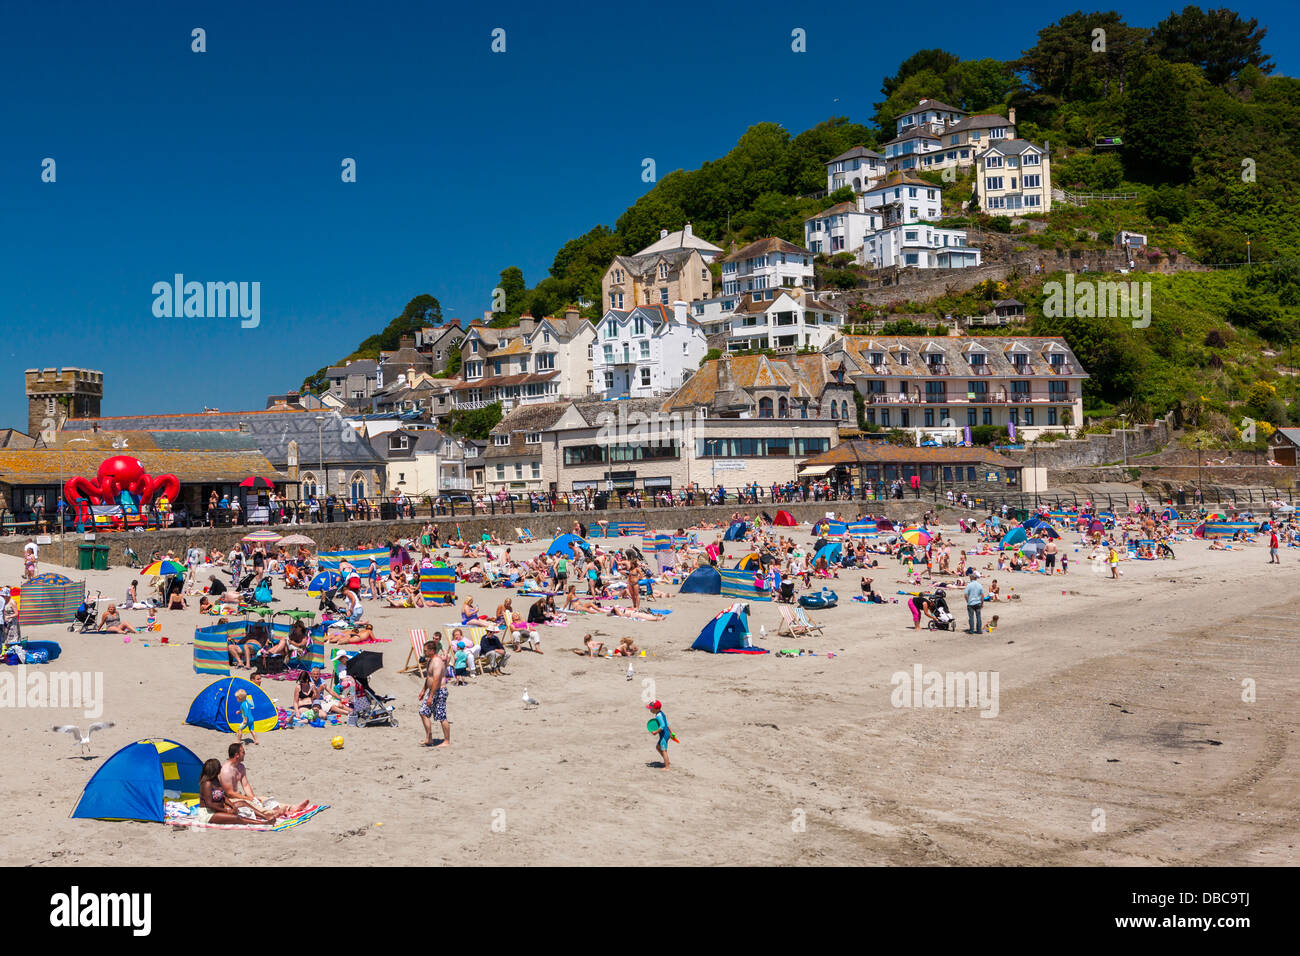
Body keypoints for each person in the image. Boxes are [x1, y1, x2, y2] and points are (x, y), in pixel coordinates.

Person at [419, 638, 451, 748]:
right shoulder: (430, 661)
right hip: (432, 691)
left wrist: (431, 696)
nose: (424, 652)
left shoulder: (437, 662)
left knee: (441, 716)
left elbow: (436, 680)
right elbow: (429, 677)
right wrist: (424, 690)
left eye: (426, 650)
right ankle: (429, 738)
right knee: (423, 712)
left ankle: (446, 741)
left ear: (432, 651)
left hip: (439, 691)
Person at [646, 699, 672, 770]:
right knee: (658, 747)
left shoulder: (658, 716)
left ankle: (667, 767)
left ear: (656, 709)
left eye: (651, 708)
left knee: (664, 750)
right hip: (666, 733)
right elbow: (666, 723)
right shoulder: (661, 713)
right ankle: (666, 761)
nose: (650, 710)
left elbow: (662, 726)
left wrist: (655, 732)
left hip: (664, 735)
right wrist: (671, 732)